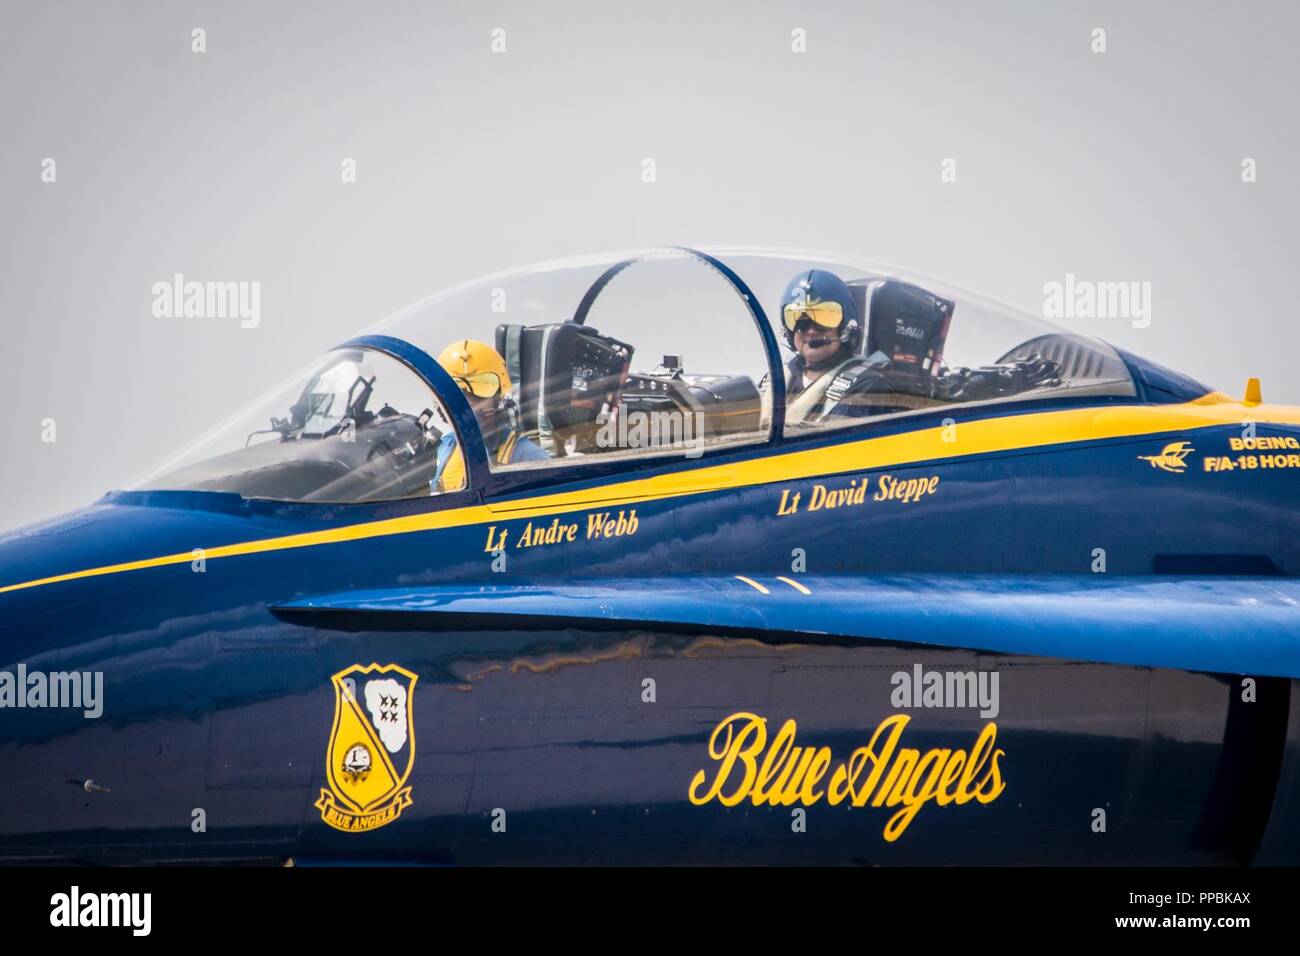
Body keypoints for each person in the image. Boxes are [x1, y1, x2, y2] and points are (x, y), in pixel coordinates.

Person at [433, 340, 548, 492]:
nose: (467, 406)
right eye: (458, 397)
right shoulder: (442, 448)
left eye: (478, 397)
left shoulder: (527, 456)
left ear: (499, 398)